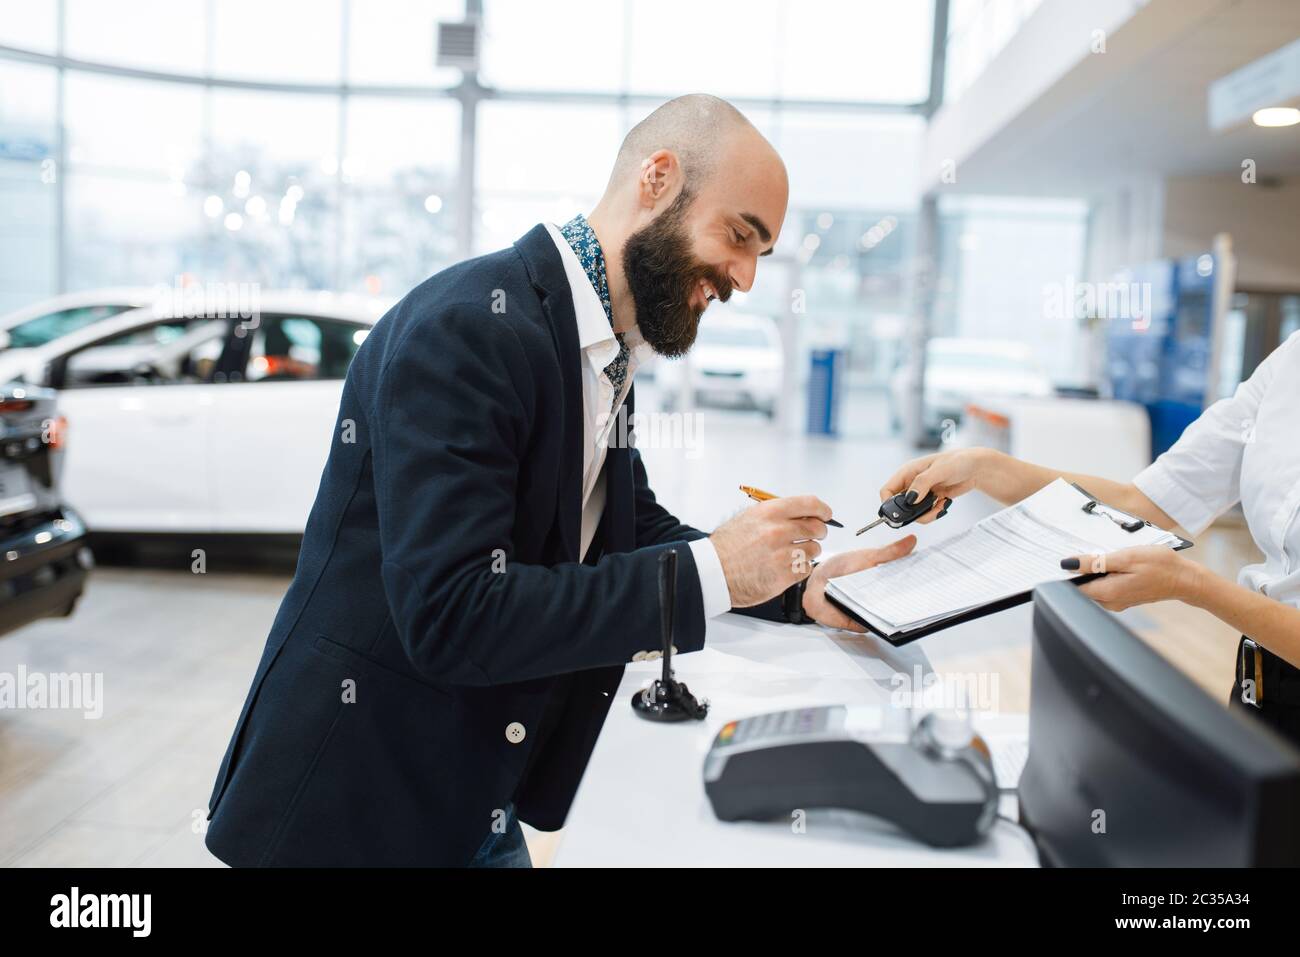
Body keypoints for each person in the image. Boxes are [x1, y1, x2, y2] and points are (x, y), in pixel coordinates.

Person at [204, 94, 910, 867]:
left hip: (473, 792)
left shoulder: (600, 346)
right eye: (739, 235)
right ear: (658, 179)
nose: (743, 276)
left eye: (760, 253)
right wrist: (715, 570)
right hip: (354, 809)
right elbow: (453, 613)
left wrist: (791, 587)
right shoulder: (469, 330)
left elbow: (626, 527)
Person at [883, 331, 1300, 745]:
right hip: (1261, 690)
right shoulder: (1289, 362)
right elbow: (1139, 503)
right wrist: (983, 468)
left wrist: (1190, 584)